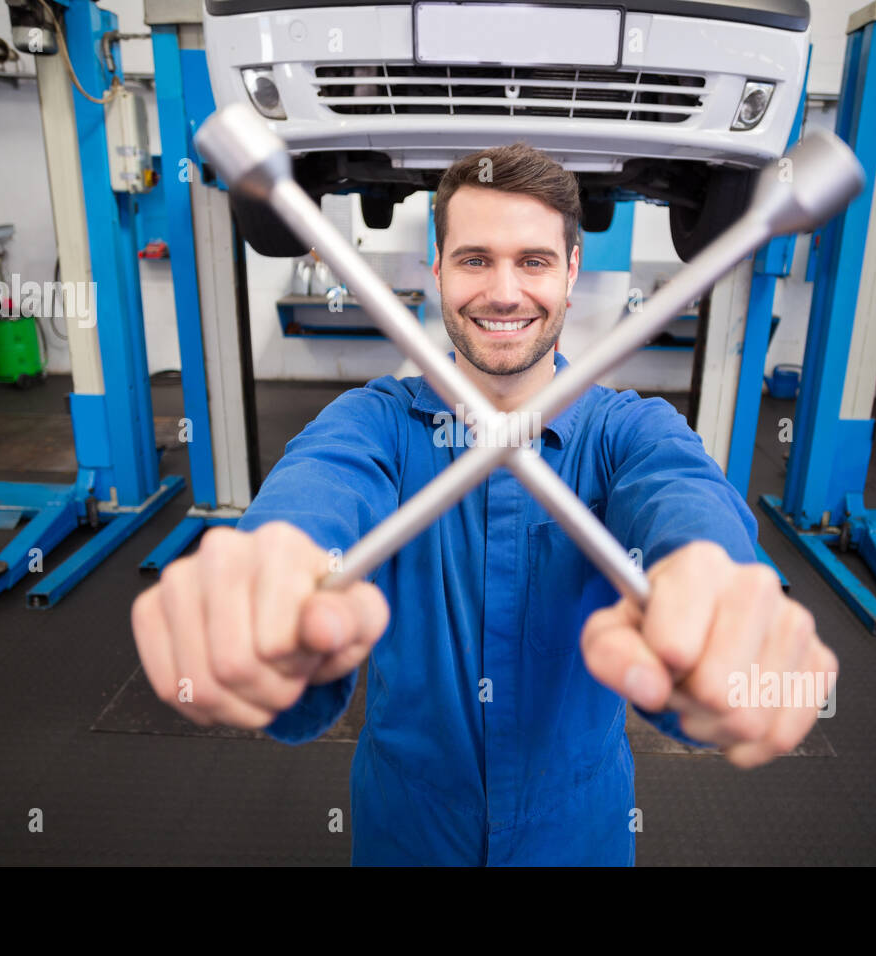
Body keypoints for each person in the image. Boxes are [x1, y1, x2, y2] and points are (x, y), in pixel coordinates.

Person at [131, 141, 838, 866]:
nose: (504, 293)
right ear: (438, 271)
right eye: (475, 259)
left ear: (570, 274)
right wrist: (272, 573)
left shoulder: (633, 432)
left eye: (532, 261)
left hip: (578, 834)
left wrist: (712, 588)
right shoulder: (372, 422)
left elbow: (683, 498)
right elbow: (318, 490)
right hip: (407, 832)